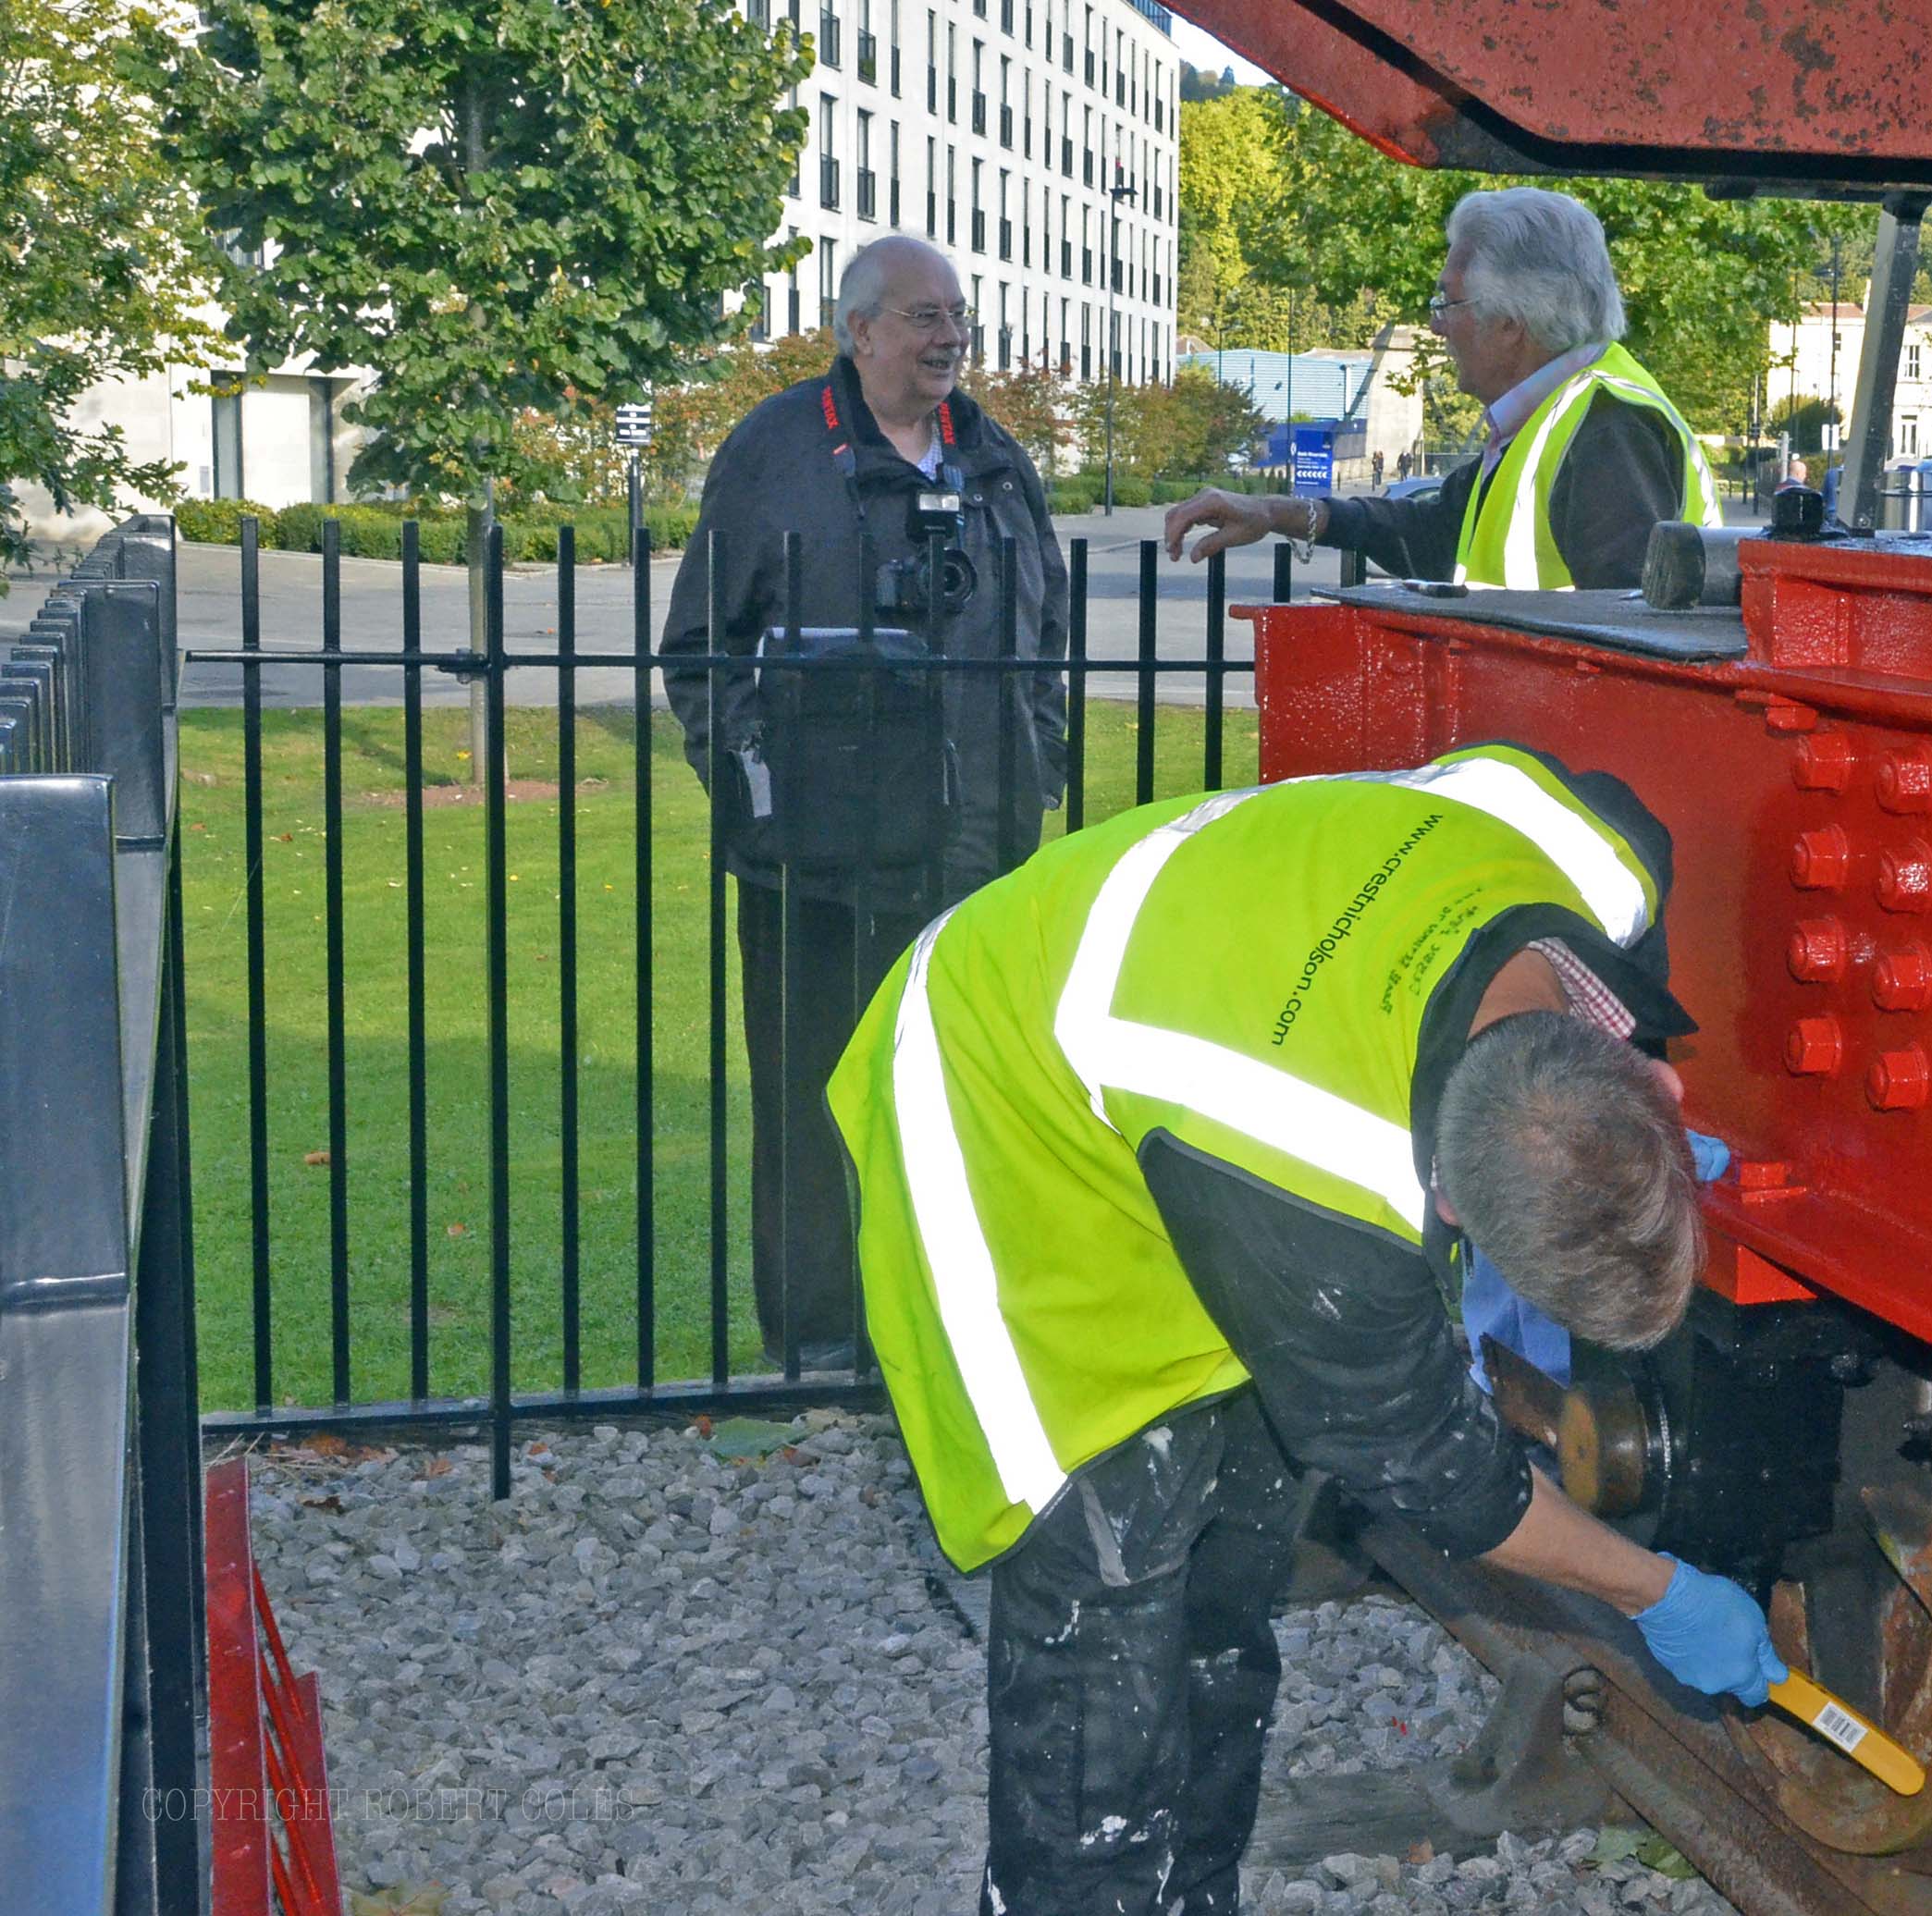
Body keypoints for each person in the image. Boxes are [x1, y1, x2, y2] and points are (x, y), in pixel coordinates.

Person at [828, 743, 1788, 1915]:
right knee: (1105, 1590)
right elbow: (1445, 1478)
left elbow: (1590, 818)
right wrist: (1654, 1589)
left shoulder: (1605, 858)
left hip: (1193, 1038)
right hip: (997, 1087)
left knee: (1230, 1569)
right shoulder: (1326, 1178)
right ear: (1447, 1203)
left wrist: (1620, 1129)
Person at [661, 235, 1067, 1374]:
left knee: (953, 1102)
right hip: (814, 863)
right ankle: (818, 1342)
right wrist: (755, 785)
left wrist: (1037, 760)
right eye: (925, 317)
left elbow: (1045, 630)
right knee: (807, 1107)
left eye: (959, 316)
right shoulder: (777, 451)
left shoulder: (993, 460)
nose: (951, 338)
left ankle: (940, 1329)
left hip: (973, 857)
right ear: (860, 331)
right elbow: (701, 648)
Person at [1163, 188, 1724, 591]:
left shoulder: (1608, 427)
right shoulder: (1558, 414)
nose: (1436, 326)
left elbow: (1628, 633)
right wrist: (1275, 511)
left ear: (1511, 322)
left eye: (1448, 303)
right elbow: (1437, 533)